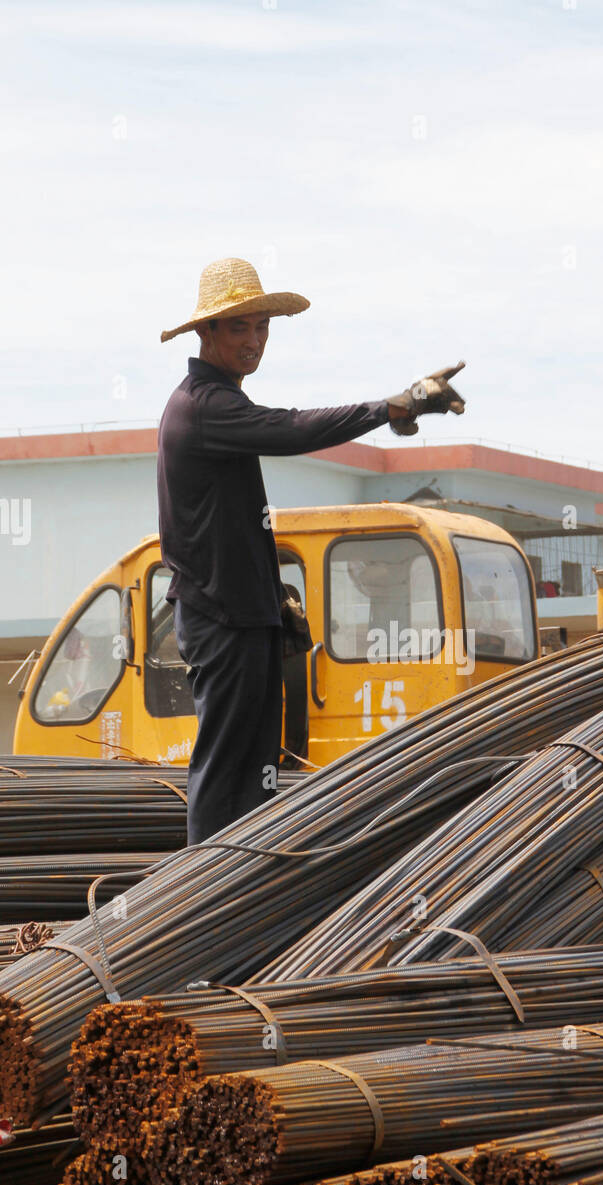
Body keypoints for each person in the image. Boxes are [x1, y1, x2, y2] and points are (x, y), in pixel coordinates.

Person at [157, 256, 465, 843]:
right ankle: (196, 911)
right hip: (221, 619)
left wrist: (274, 599)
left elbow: (236, 524)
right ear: (207, 333)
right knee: (224, 775)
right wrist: (391, 407)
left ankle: (240, 891)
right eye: (240, 328)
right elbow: (293, 429)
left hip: (244, 615)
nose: (255, 341)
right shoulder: (204, 407)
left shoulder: (217, 404)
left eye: (262, 327)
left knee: (257, 778)